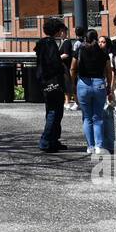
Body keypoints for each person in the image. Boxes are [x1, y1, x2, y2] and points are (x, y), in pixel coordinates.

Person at [72, 29, 115, 154]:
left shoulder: (79, 51)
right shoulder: (103, 53)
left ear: (85, 38)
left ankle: (90, 146)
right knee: (98, 117)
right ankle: (99, 146)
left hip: (83, 83)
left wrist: (73, 84)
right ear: (96, 39)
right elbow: (108, 71)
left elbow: (72, 68)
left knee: (87, 117)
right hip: (99, 83)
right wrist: (108, 88)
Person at [33, 18, 70, 152]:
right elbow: (53, 63)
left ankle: (53, 139)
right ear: (58, 30)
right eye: (61, 30)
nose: (62, 32)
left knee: (52, 111)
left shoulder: (42, 43)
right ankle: (46, 140)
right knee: (55, 112)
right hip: (53, 81)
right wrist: (61, 70)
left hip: (45, 82)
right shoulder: (51, 44)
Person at [66, 25, 86, 111]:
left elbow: (74, 55)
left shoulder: (76, 43)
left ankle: (77, 103)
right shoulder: (86, 41)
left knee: (75, 84)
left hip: (78, 66)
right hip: (85, 66)